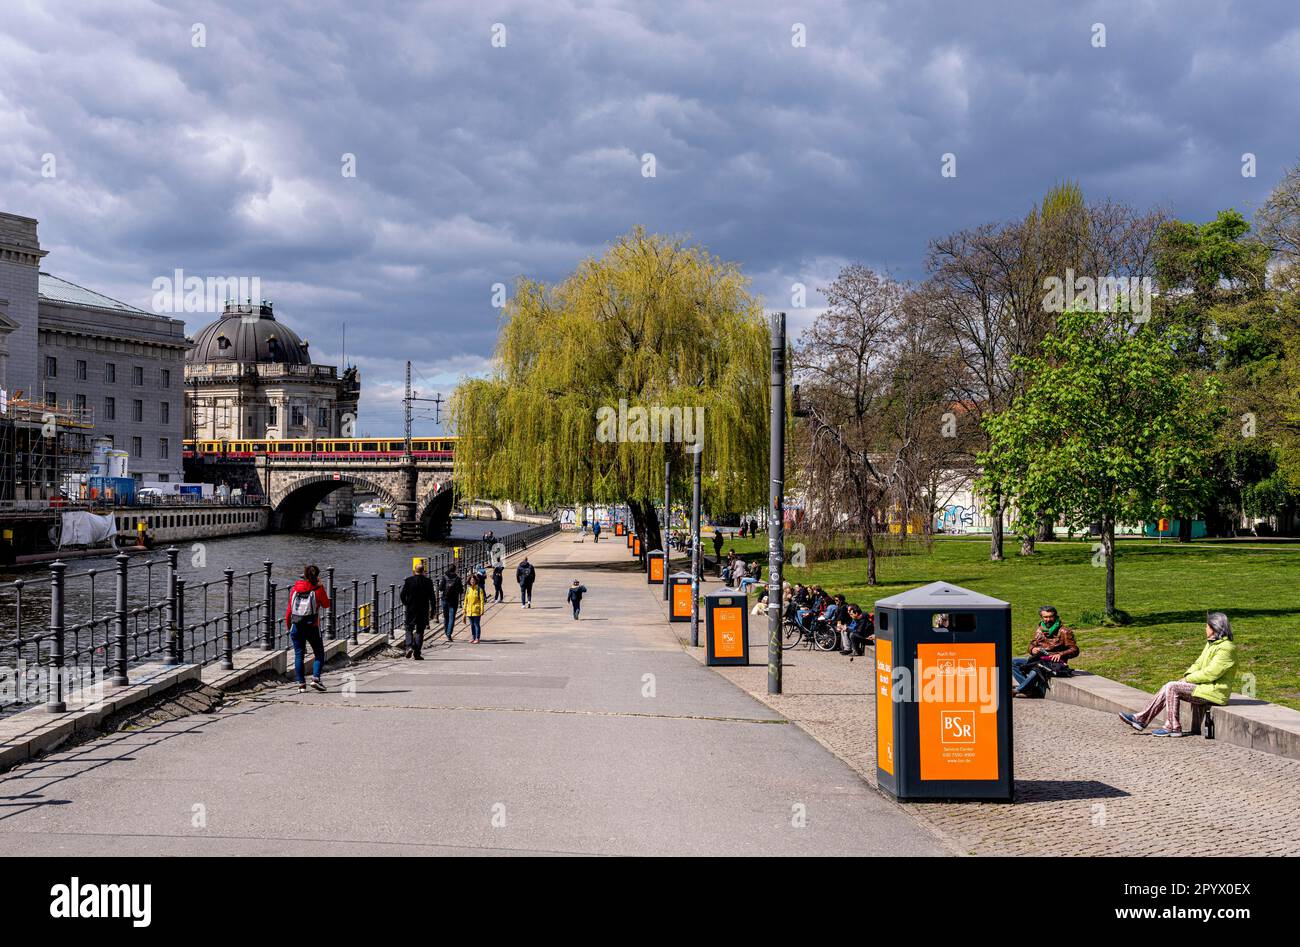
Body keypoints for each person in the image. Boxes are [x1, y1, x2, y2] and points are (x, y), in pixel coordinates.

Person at [1120, 612, 1238, 737]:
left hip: (1215, 692)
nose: (1205, 629)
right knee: (1169, 686)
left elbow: (1211, 673)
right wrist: (1187, 676)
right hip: (1204, 687)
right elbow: (1198, 663)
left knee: (1172, 686)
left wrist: (1188, 679)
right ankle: (1142, 719)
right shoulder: (1211, 643)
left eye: (1207, 626)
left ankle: (1172, 727)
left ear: (1214, 628)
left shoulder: (1226, 648)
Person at [1012, 605, 1080, 697]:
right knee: (1012, 662)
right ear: (1042, 617)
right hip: (1039, 658)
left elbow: (1075, 650)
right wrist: (1033, 649)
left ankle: (1019, 690)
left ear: (1055, 616)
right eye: (1045, 617)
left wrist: (1060, 654)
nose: (1048, 619)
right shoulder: (1040, 630)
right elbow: (1032, 644)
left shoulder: (1064, 631)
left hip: (1054, 662)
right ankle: (1030, 690)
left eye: (1050, 616)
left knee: (1037, 668)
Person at [284, 565, 331, 692]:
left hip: (296, 626)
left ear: (304, 575)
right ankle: (316, 679)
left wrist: (289, 627)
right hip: (312, 626)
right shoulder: (318, 589)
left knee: (299, 654)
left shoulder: (295, 588)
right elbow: (327, 604)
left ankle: (301, 685)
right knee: (319, 653)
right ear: (317, 576)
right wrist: (322, 587)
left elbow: (289, 610)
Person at [400, 562, 435, 660]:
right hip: (423, 609)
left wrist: (406, 603)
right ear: (423, 571)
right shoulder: (428, 581)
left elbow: (402, 595)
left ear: (414, 570)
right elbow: (432, 597)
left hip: (411, 608)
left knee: (408, 628)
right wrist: (433, 611)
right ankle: (417, 653)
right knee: (420, 631)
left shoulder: (408, 581)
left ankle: (409, 646)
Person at [437, 564, 463, 643]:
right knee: (452, 617)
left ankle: (446, 631)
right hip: (454, 600)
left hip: (445, 599)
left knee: (446, 617)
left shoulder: (444, 577)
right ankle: (449, 634)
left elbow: (440, 588)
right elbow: (461, 591)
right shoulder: (458, 578)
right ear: (455, 570)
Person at [464, 574, 485, 643]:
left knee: (476, 624)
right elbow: (465, 600)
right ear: (469, 581)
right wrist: (464, 610)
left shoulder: (479, 589)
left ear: (476, 581)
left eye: (473, 580)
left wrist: (482, 610)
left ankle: (477, 638)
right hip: (469, 610)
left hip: (476, 610)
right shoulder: (468, 590)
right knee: (472, 625)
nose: (472, 581)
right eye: (471, 580)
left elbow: (482, 600)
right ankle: (473, 637)